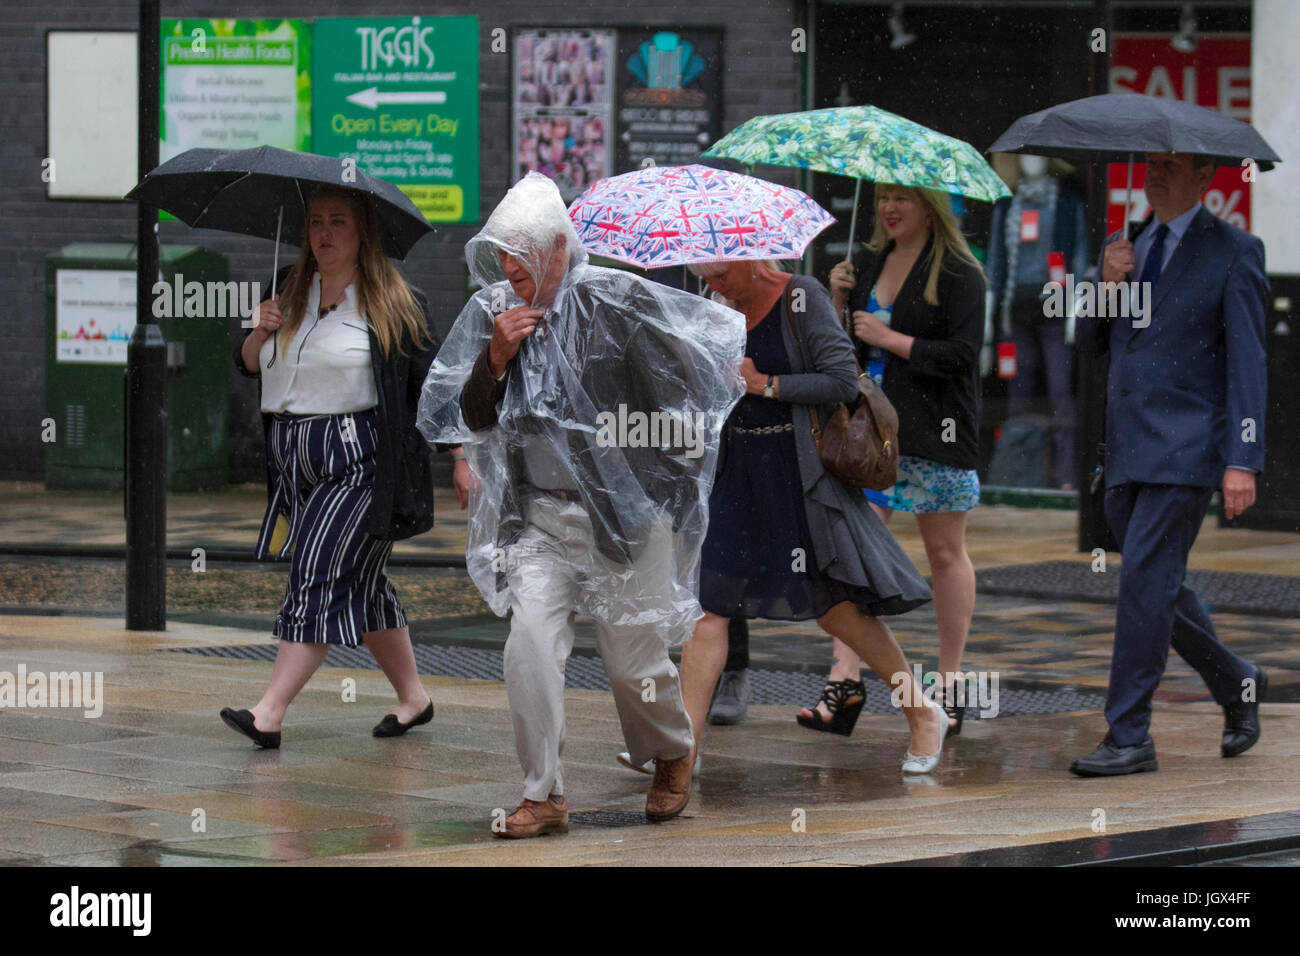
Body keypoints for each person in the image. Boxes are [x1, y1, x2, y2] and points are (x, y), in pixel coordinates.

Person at [418, 172, 744, 836]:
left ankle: (671, 751)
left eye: (524, 259)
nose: (511, 273)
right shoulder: (494, 314)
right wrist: (497, 356)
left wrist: (652, 489)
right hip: (535, 517)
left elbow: (676, 412)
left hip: (624, 518)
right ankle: (543, 794)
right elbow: (471, 418)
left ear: (560, 250)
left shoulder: (617, 306)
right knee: (529, 647)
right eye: (504, 259)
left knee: (634, 665)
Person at [220, 184, 467, 749]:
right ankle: (415, 699)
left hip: (360, 457)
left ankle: (270, 711)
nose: (324, 234)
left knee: (319, 572)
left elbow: (431, 387)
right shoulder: (285, 289)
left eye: (338, 223)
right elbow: (247, 366)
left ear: (363, 236)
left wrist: (459, 455)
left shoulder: (396, 303)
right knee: (366, 585)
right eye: (315, 223)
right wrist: (260, 328)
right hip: (291, 455)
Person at [679, 259, 947, 774]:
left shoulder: (802, 296)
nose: (712, 286)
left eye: (719, 275)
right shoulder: (721, 308)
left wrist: (769, 385)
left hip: (799, 475)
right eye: (704, 277)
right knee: (708, 609)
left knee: (837, 609)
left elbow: (843, 381)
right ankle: (682, 753)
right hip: (738, 476)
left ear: (748, 258)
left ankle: (920, 709)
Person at [1069, 152, 1269, 776]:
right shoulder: (1123, 245)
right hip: (1124, 446)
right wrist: (1105, 284)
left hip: (1189, 448)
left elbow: (1249, 364)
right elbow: (1089, 343)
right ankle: (1239, 682)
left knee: (1139, 588)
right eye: (1151, 163)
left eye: (1171, 165)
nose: (1155, 174)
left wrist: (1242, 459)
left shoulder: (1236, 250)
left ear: (1205, 176)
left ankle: (1129, 734)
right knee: (1157, 587)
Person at [806, 184, 986, 738]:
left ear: (929, 204)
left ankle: (950, 684)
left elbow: (963, 355)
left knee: (943, 552)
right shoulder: (868, 262)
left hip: (934, 434)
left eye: (903, 197)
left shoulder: (959, 270)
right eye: (884, 196)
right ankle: (846, 678)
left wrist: (892, 338)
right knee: (852, 553)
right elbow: (844, 356)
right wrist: (837, 303)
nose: (889, 207)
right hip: (869, 437)